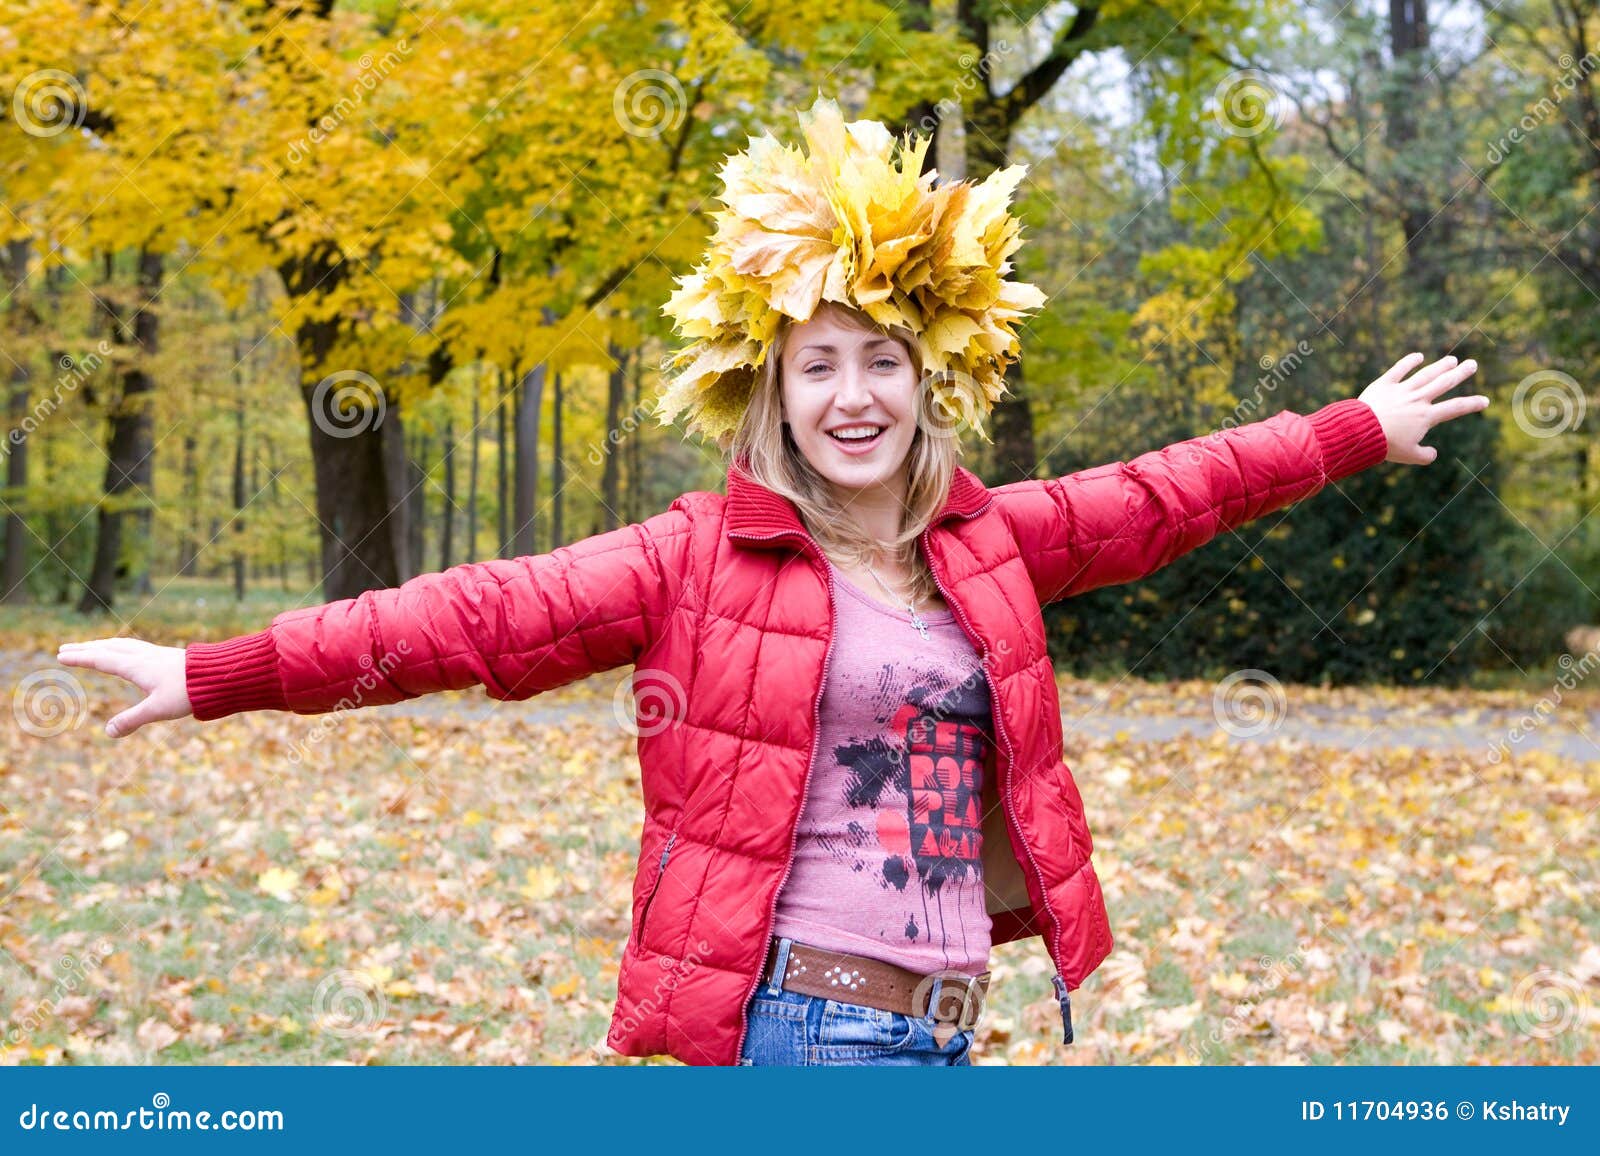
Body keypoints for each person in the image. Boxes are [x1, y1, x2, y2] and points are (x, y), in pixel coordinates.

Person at [57, 96, 1489, 1067]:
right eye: (821, 364)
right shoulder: (697, 556)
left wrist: (1353, 429)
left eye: (885, 362)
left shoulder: (988, 543)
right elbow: (470, 621)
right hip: (805, 1026)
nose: (855, 393)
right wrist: (210, 675)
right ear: (775, 394)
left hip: (945, 1027)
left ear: (932, 387)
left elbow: (1173, 492)